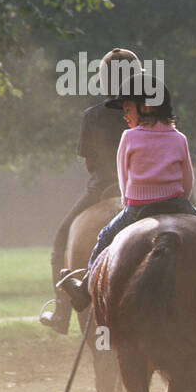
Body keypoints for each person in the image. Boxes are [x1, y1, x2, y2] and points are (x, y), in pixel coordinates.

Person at [56, 71, 196, 310]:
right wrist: (180, 199)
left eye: (128, 110)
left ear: (147, 107)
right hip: (176, 203)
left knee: (103, 237)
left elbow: (124, 177)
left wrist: (130, 201)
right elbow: (188, 179)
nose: (125, 117)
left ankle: (84, 288)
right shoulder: (179, 137)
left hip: (138, 208)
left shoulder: (129, 137)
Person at [38, 47, 135, 333]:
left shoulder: (92, 115)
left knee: (60, 239)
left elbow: (90, 163)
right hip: (141, 188)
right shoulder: (146, 112)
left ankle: (61, 311)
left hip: (101, 189)